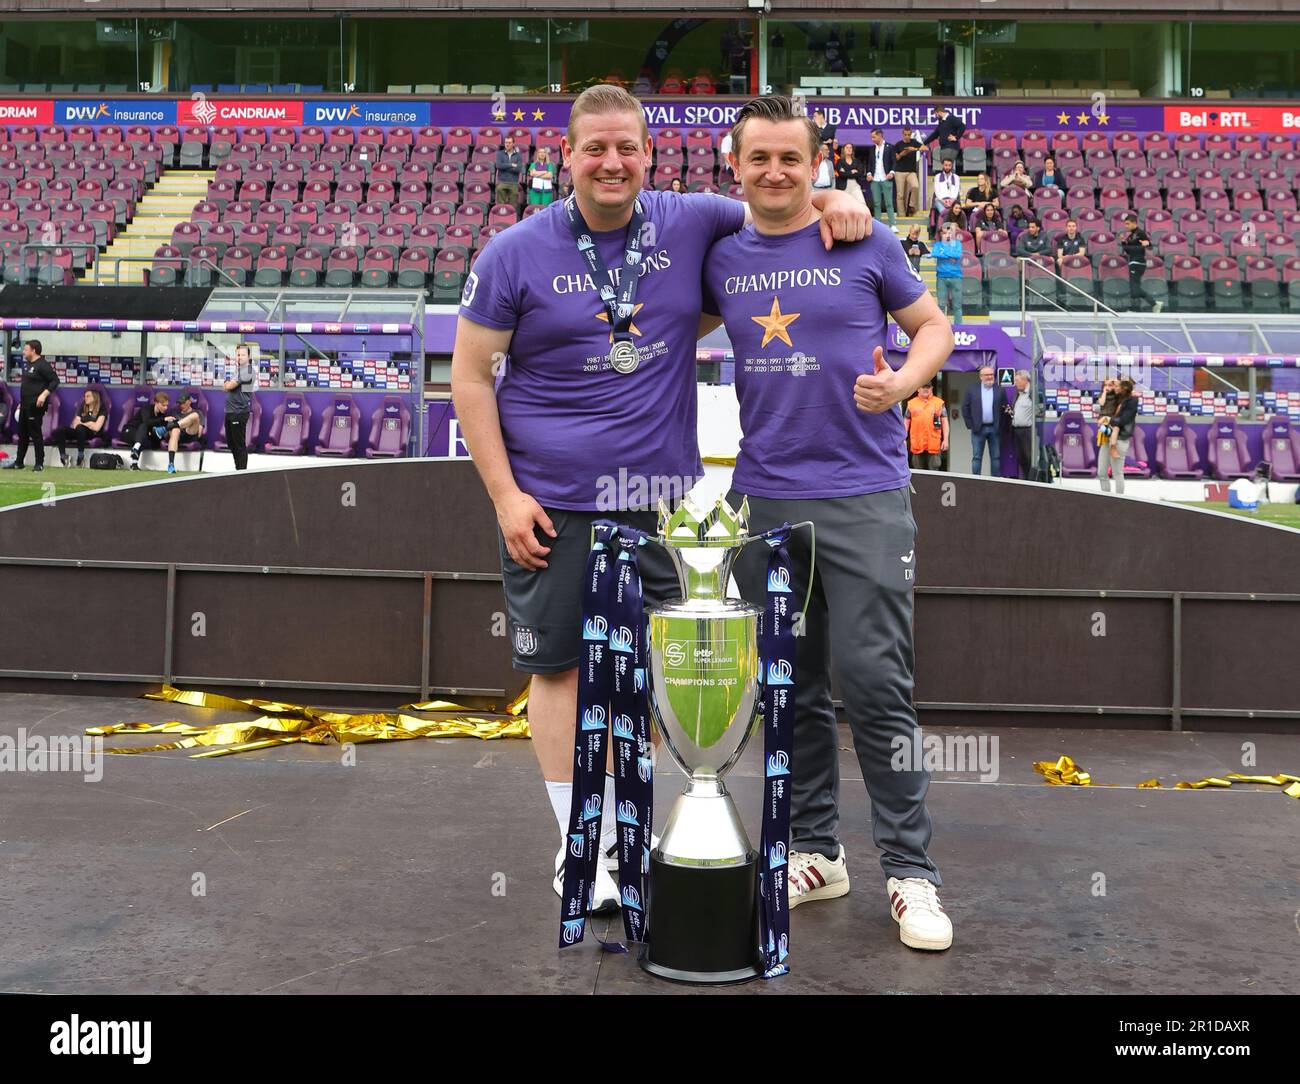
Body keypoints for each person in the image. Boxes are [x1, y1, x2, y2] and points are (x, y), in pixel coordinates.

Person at [450, 84, 871, 915]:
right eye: (594, 148)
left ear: (651, 154)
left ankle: (627, 835)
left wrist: (834, 197)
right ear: (565, 157)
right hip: (554, 501)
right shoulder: (512, 252)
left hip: (661, 505)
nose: (612, 162)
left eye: (628, 148)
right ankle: (584, 849)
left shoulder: (691, 221)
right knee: (564, 670)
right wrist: (503, 495)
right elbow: (469, 375)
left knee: (643, 676)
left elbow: (777, 195)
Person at [701, 93, 954, 951]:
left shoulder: (863, 237)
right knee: (792, 690)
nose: (775, 172)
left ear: (818, 165)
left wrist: (907, 382)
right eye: (758, 158)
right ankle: (817, 851)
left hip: (865, 496)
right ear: (734, 166)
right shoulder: (719, 253)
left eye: (791, 159)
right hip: (767, 498)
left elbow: (934, 326)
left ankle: (912, 874)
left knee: (876, 686)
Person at [5, 339, 58, 472]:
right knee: (22, 434)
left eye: (26, 349)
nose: (23, 351)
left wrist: (44, 395)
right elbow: (28, 386)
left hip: (36, 406)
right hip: (25, 405)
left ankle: (39, 463)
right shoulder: (27, 364)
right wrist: (21, 403)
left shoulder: (43, 365)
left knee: (35, 434)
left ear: (33, 350)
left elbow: (55, 380)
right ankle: (19, 462)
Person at [961, 364, 1003, 476]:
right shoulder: (972, 389)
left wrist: (1002, 426)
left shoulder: (999, 390)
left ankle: (995, 482)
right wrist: (970, 424)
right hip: (978, 429)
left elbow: (1004, 408)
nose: (990, 377)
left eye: (991, 374)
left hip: (995, 428)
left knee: (996, 457)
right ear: (981, 377)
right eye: (987, 375)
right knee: (976, 457)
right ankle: (976, 481)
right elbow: (965, 407)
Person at [1100, 378, 1138, 493]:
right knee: (1101, 472)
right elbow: (1103, 400)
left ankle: (1119, 501)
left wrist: (1107, 419)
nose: (1114, 388)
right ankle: (1105, 499)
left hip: (1120, 440)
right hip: (1107, 436)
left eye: (1117, 386)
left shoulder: (1132, 401)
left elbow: (1124, 420)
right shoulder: (1118, 398)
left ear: (1124, 389)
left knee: (1117, 473)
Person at [52, 387, 106, 467]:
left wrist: (83, 424)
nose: (85, 398)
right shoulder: (83, 407)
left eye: (88, 396)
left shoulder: (101, 408)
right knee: (60, 430)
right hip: (79, 431)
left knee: (80, 427)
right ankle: (64, 457)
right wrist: (90, 423)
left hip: (91, 434)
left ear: (95, 397)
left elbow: (97, 427)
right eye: (85, 396)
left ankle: (81, 457)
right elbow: (75, 424)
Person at [222, 342, 256, 471]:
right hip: (230, 412)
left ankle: (241, 473)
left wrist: (227, 384)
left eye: (242, 354)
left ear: (248, 356)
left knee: (239, 445)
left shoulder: (248, 370)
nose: (239, 357)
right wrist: (227, 384)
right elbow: (226, 386)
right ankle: (238, 470)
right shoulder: (238, 370)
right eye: (238, 354)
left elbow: (228, 386)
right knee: (231, 444)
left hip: (239, 412)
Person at [1120, 213, 1162, 312]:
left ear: (1134, 223)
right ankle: (1135, 308)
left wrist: (1147, 244)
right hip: (1133, 262)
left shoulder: (1140, 233)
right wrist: (1123, 242)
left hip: (1138, 263)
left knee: (1134, 288)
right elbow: (1128, 251)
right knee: (1134, 288)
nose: (1126, 226)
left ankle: (1154, 303)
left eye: (1128, 224)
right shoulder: (1130, 236)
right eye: (1125, 224)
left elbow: (1150, 246)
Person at [905, 382, 948, 470]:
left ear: (931, 388)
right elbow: (906, 422)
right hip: (917, 443)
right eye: (923, 387)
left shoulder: (939, 403)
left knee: (934, 471)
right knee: (918, 471)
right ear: (918, 389)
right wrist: (903, 439)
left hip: (933, 443)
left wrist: (946, 440)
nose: (926, 389)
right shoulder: (911, 404)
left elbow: (945, 422)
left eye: (928, 387)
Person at [126, 390, 171, 470]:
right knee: (144, 426)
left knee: (145, 440)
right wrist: (164, 419)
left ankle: (134, 464)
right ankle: (135, 448)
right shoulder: (146, 409)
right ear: (156, 403)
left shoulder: (162, 415)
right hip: (129, 431)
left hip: (141, 437)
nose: (165, 408)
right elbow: (147, 422)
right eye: (163, 405)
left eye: (167, 405)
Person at [863, 128, 897, 229]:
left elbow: (894, 162)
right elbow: (870, 163)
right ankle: (878, 226)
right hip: (875, 179)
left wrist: (892, 172)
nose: (872, 139)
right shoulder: (872, 149)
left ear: (880, 135)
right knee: (876, 203)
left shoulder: (890, 147)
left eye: (874, 137)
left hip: (886, 178)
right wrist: (869, 173)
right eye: (871, 137)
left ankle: (892, 224)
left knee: (889, 203)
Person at [162, 391, 204, 473]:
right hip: (175, 436)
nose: (182, 405)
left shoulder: (198, 412)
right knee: (175, 430)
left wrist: (188, 424)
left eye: (184, 403)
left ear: (189, 401)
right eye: (180, 403)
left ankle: (168, 427)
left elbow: (199, 433)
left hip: (189, 434)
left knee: (195, 416)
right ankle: (171, 464)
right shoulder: (175, 412)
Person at [932, 222, 964, 325]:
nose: (947, 235)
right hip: (941, 277)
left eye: (949, 233)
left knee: (957, 306)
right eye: (945, 233)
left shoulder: (958, 244)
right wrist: (950, 256)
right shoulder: (937, 244)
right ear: (941, 234)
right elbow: (935, 253)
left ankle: (959, 328)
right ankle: (941, 327)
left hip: (956, 277)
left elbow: (958, 255)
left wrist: (943, 254)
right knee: (941, 305)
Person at [1008, 370, 1035, 479]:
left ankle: (1031, 481)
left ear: (1025, 380)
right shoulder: (1017, 394)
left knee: (1028, 457)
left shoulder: (1032, 393)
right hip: (1016, 430)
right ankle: (1025, 480)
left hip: (1027, 431)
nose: (1016, 383)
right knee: (1020, 457)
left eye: (1017, 381)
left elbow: (1039, 410)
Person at [892, 126, 923, 216]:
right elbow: (896, 158)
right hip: (899, 172)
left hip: (911, 171)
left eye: (909, 135)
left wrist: (915, 149)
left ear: (911, 134)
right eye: (905, 135)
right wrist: (902, 154)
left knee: (915, 186)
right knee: (900, 195)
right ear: (903, 134)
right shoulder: (898, 145)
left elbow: (925, 148)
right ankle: (901, 215)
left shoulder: (914, 142)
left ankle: (911, 206)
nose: (907, 136)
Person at [922, 104, 965, 169]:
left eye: (936, 114)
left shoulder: (951, 118)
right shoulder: (941, 121)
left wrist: (956, 137)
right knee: (945, 167)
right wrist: (924, 143)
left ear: (939, 112)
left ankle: (951, 179)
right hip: (943, 147)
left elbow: (962, 126)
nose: (935, 116)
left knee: (947, 166)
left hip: (951, 147)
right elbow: (935, 134)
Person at [929, 157, 962, 239]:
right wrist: (943, 201)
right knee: (944, 212)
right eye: (946, 165)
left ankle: (950, 232)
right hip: (940, 200)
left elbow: (956, 191)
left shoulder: (956, 177)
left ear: (951, 166)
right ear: (942, 165)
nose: (947, 167)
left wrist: (952, 201)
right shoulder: (937, 177)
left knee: (954, 210)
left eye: (949, 165)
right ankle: (943, 232)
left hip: (952, 200)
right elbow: (937, 191)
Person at [495, 135, 524, 207]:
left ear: (513, 143)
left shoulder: (518, 155)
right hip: (502, 182)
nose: (507, 144)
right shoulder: (499, 154)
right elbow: (499, 166)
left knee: (513, 206)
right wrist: (511, 165)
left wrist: (504, 166)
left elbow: (518, 169)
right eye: (506, 142)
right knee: (500, 206)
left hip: (513, 183)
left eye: (509, 142)